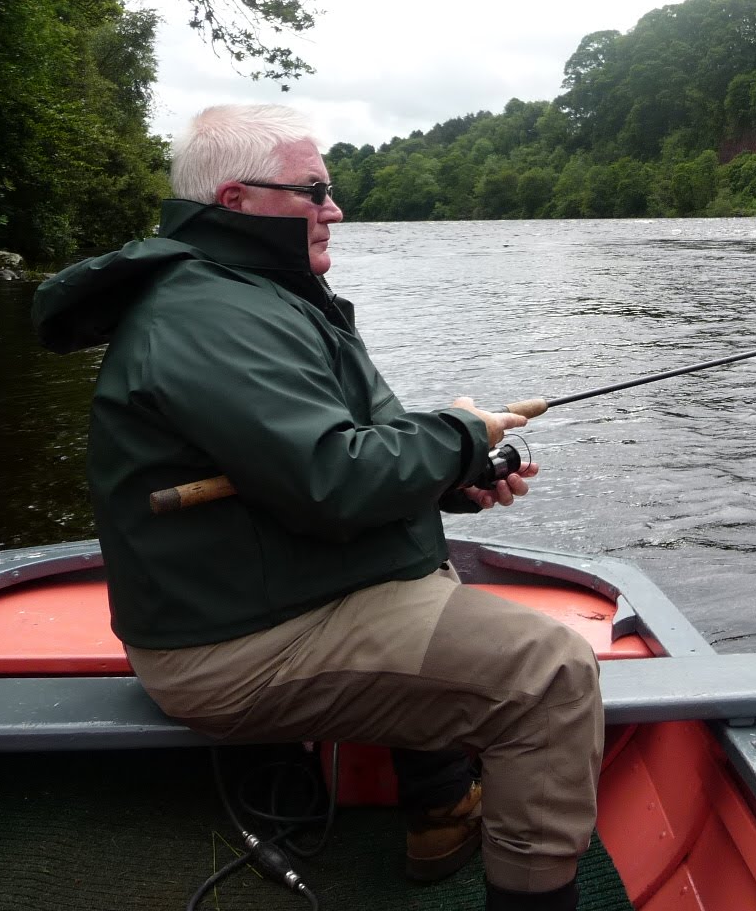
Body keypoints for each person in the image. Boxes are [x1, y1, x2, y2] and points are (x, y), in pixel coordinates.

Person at [33, 103, 601, 911]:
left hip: (287, 592)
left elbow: (329, 461)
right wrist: (457, 435)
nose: (335, 209)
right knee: (551, 675)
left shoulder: (257, 295)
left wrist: (452, 477)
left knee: (434, 578)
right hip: (234, 644)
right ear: (235, 202)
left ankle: (439, 810)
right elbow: (332, 479)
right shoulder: (209, 315)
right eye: (313, 192)